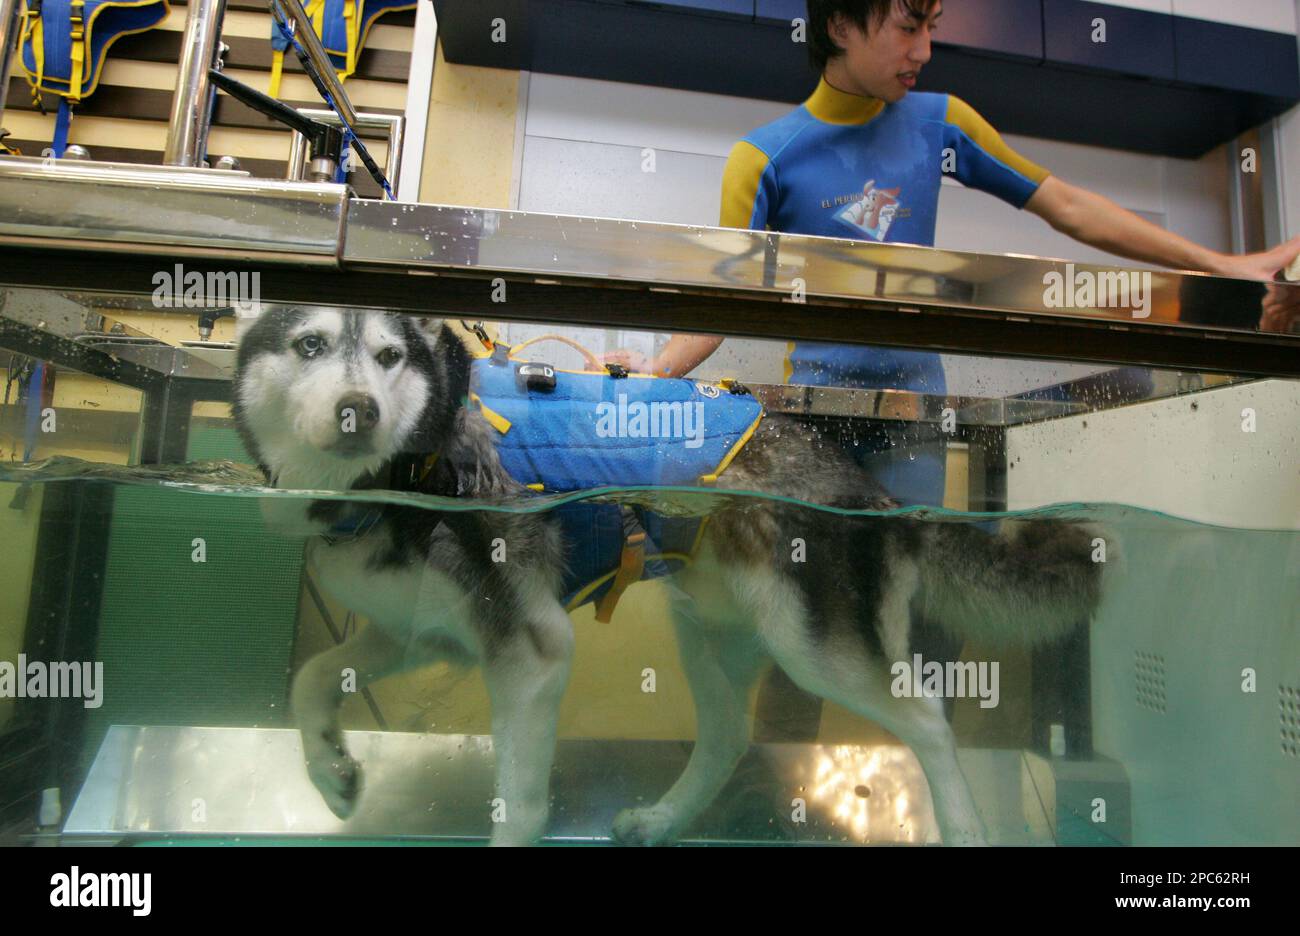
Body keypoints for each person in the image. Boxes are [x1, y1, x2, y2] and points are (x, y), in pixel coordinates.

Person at [602, 0, 1300, 741]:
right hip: (806, 429)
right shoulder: (766, 156)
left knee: (930, 609)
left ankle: (938, 790)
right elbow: (725, 299)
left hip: (912, 421)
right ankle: (780, 791)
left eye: (931, 26)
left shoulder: (941, 124)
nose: (926, 49)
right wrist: (657, 366)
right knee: (803, 609)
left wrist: (1224, 265)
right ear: (840, 24)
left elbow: (1065, 205)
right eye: (908, 27)